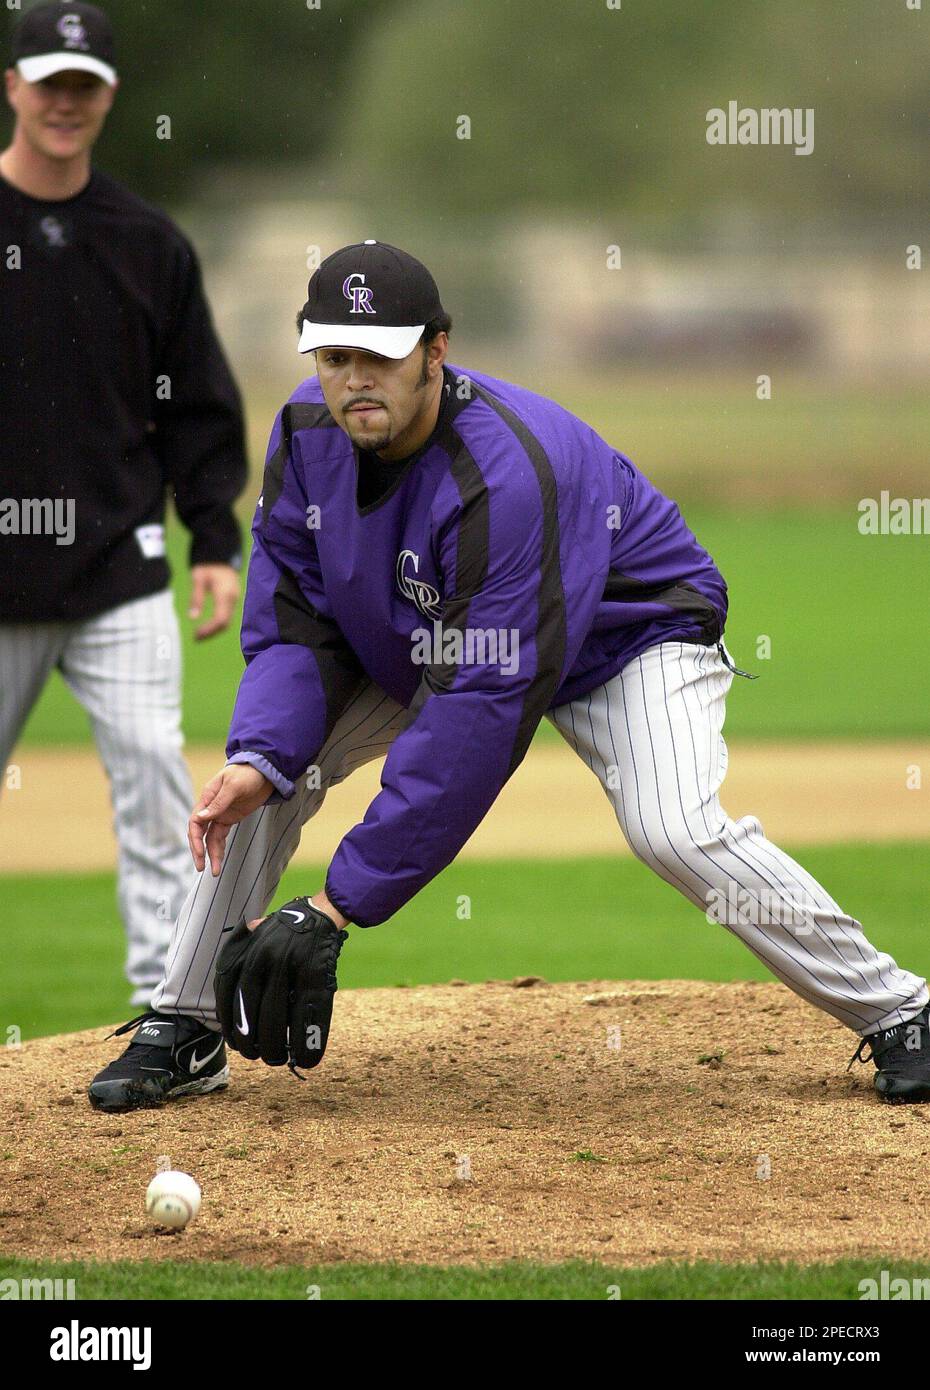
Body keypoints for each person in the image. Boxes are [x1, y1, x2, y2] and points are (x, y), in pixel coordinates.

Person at [87, 240, 929, 1112]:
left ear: (435, 352)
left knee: (673, 828)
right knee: (263, 781)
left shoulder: (502, 474)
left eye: (380, 354)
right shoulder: (305, 432)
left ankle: (905, 1012)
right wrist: (262, 751)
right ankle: (185, 1026)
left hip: (623, 637)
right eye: (335, 355)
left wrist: (339, 906)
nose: (355, 378)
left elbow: (480, 715)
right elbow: (295, 616)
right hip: (439, 628)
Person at [0, 3, 247, 1005]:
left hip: (118, 568)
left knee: (157, 792)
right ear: (11, 85)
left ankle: (170, 1013)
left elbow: (199, 409)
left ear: (108, 99)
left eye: (85, 85)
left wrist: (215, 541)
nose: (66, 102)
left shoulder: (149, 245)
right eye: (48, 80)